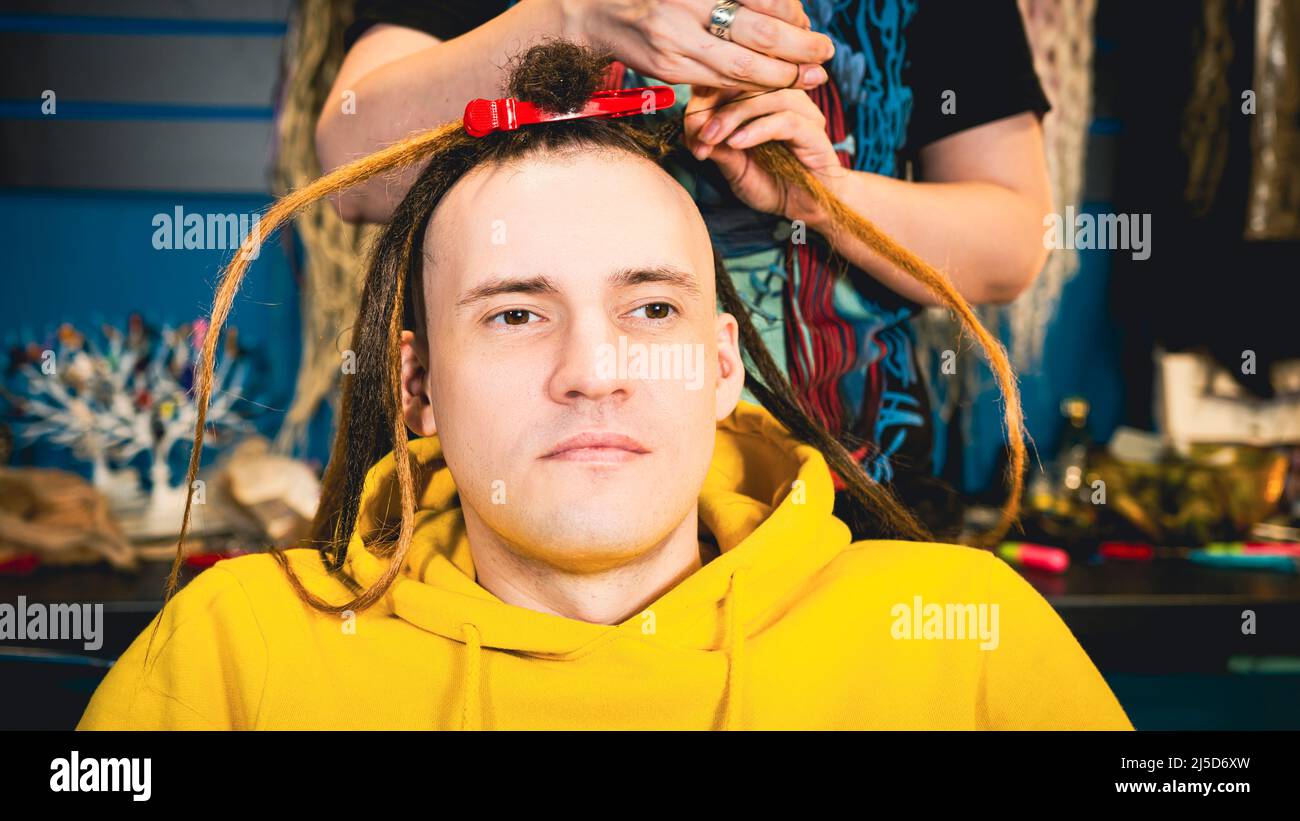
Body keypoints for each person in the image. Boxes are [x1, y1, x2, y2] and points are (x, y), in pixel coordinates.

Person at [78, 42, 1126, 730]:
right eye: (515, 313)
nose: (593, 372)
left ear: (722, 365)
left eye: (650, 308)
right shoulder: (236, 650)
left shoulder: (968, 638)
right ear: (416, 386)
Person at [317, 0, 1054, 537]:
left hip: (854, 503)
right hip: (520, 529)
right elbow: (350, 168)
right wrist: (576, 19)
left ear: (724, 358)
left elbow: (1011, 243)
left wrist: (828, 198)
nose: (595, 371)